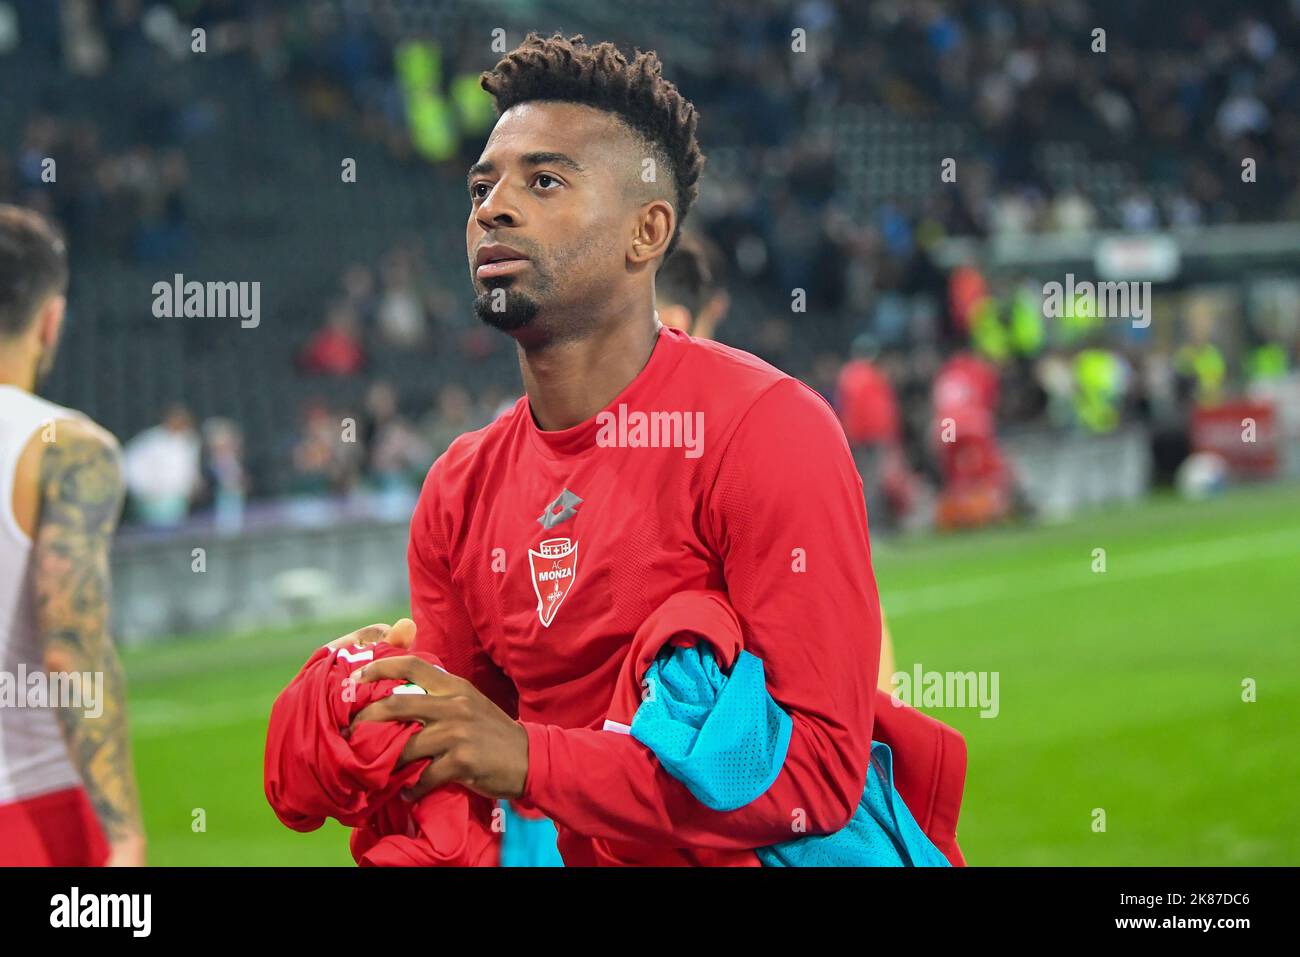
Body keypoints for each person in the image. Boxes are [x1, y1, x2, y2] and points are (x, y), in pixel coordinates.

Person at [340, 33, 884, 865]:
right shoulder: (458, 487)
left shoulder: (768, 430)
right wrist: (364, 737)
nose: (493, 207)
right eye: (481, 186)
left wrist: (532, 757)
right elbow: (462, 763)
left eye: (544, 180)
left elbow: (816, 775)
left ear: (647, 233)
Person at [0, 204, 144, 865]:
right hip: (33, 809)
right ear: (51, 319)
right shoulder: (65, 448)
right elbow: (71, 649)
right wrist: (122, 834)